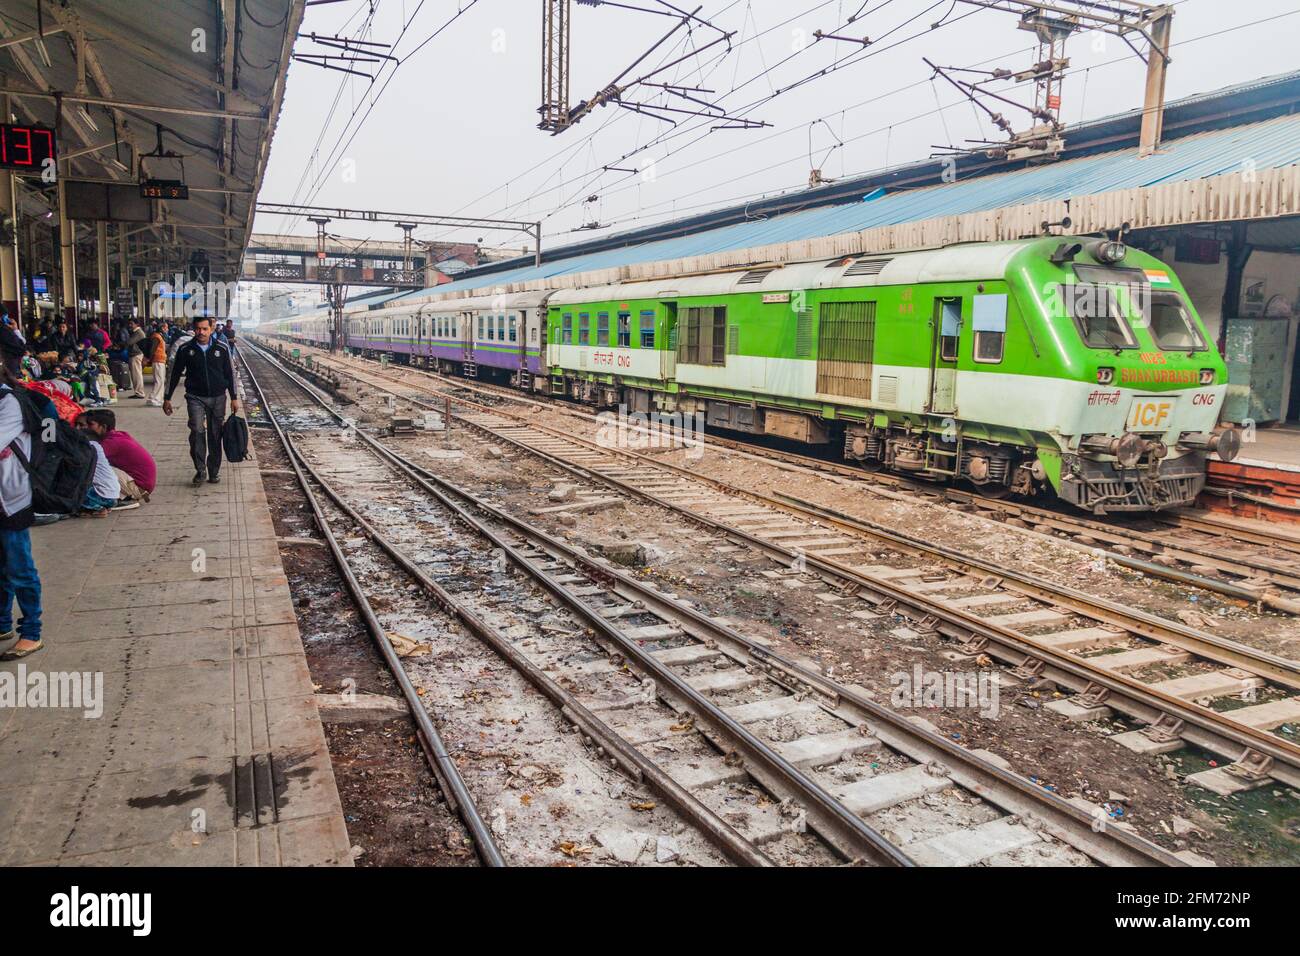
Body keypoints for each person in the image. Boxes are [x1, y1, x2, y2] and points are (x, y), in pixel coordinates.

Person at [164, 316, 240, 486]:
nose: (201, 332)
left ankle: (214, 471)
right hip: (195, 397)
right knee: (197, 431)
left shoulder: (222, 347)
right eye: (198, 329)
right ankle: (200, 470)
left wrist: (234, 398)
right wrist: (167, 397)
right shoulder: (185, 349)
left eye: (205, 329)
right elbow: (174, 374)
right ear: (194, 329)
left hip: (218, 397)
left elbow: (230, 374)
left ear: (211, 329)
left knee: (215, 434)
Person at [0, 362, 42, 659]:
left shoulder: (10, 403)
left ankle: (31, 631)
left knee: (19, 567)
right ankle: (2, 623)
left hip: (12, 499)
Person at [77, 408, 156, 502]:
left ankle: (116, 498)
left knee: (94, 467)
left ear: (103, 427)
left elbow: (83, 459)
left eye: (89, 425)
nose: (79, 428)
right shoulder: (116, 436)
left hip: (139, 488)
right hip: (140, 485)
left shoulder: (111, 443)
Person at [144, 323, 167, 407]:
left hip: (161, 360)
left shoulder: (159, 336)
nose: (167, 329)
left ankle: (159, 398)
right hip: (157, 360)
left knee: (161, 380)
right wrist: (148, 359)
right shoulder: (156, 336)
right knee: (158, 380)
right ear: (162, 328)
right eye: (165, 327)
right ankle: (153, 398)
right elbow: (152, 349)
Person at [126, 318, 147, 398]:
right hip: (135, 354)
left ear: (137, 324)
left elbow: (129, 342)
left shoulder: (138, 333)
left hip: (136, 355)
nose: (130, 325)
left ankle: (139, 393)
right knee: (136, 374)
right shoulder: (136, 332)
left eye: (131, 324)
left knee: (136, 375)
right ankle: (138, 392)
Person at [0, 311, 25, 377]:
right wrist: (15, 330)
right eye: (5, 316)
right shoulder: (4, 330)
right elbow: (21, 346)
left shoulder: (5, 330)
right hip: (8, 365)